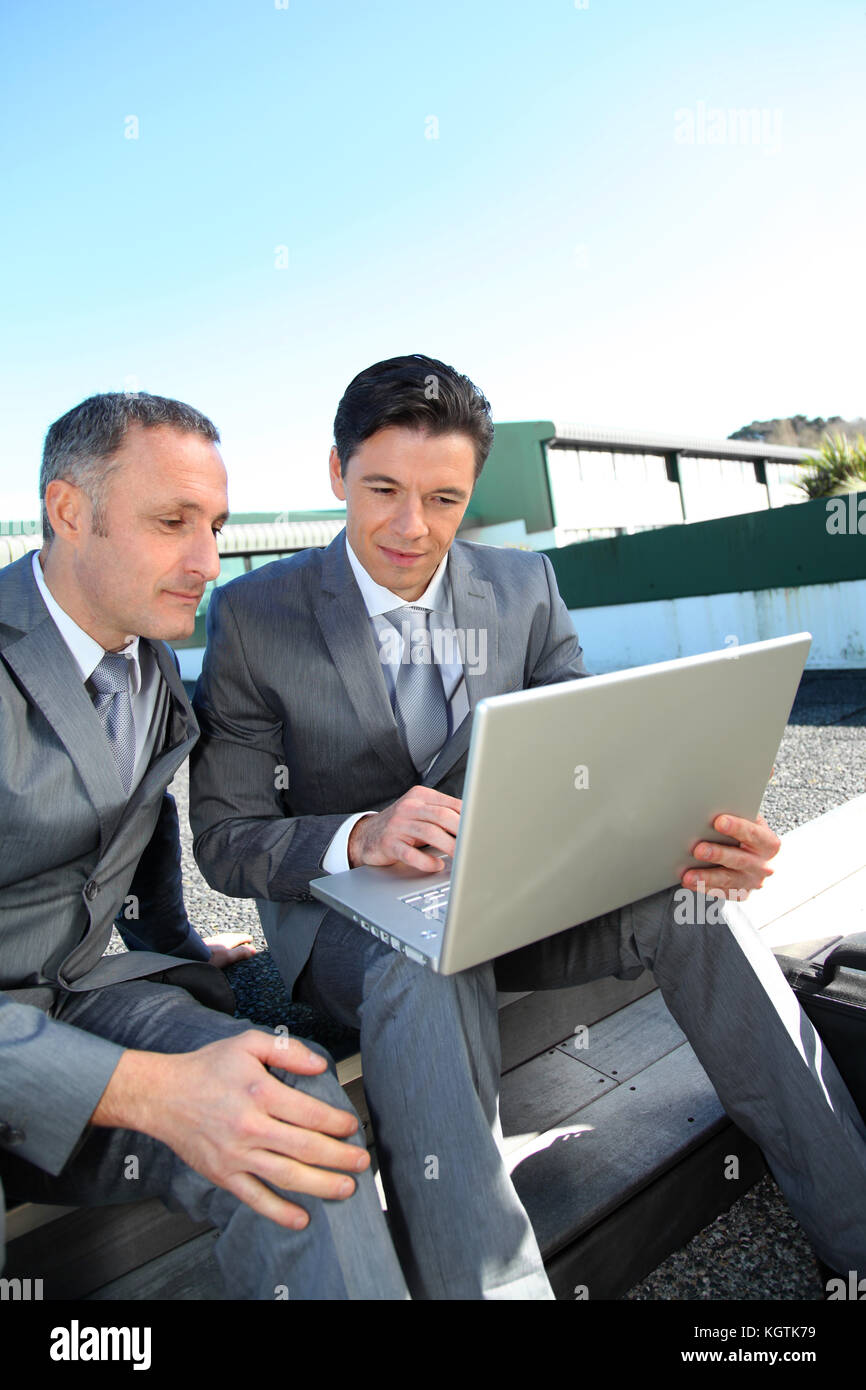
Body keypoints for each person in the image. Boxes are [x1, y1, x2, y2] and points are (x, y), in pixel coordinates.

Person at [189, 354, 866, 1299]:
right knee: (425, 970)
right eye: (382, 488)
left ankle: (858, 1226)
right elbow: (223, 837)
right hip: (350, 930)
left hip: (518, 895)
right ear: (335, 472)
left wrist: (701, 836)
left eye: (444, 497)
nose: (411, 527)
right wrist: (357, 834)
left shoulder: (522, 588)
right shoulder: (254, 617)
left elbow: (602, 761)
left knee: (694, 909)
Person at [0, 392, 409, 1300]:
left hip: (74, 1000)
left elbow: (138, 820)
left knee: (298, 1121)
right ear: (69, 512)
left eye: (215, 525)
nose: (208, 561)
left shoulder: (153, 666)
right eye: (172, 522)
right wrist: (146, 1089)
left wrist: (173, 943)